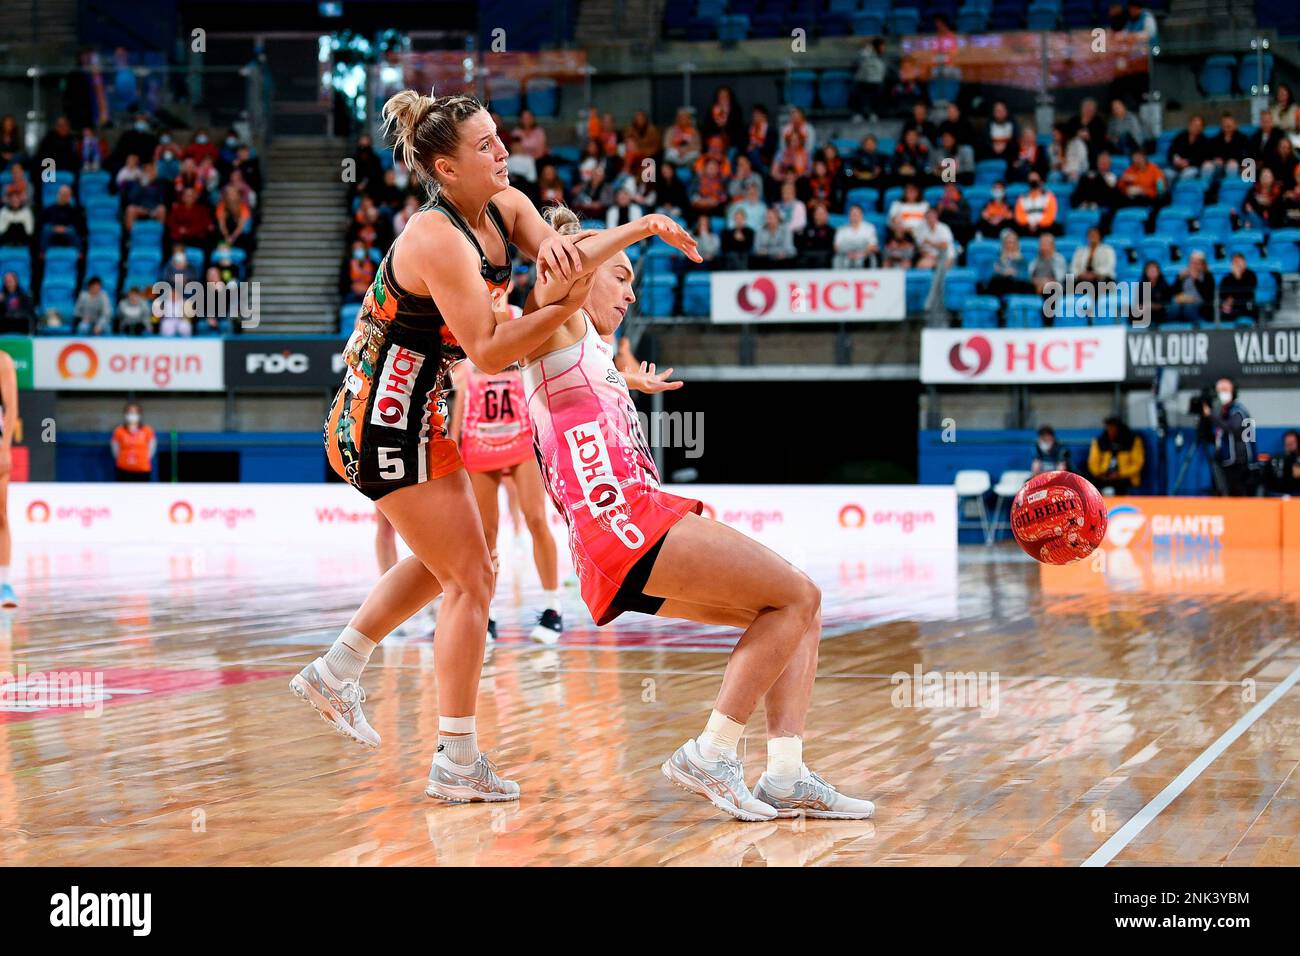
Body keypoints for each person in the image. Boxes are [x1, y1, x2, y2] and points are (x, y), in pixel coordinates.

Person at [301, 91, 699, 806]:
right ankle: (454, 759)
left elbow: (561, 258)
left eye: (499, 138)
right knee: (472, 576)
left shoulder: (507, 206)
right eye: (484, 146)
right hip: (377, 419)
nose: (502, 152)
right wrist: (565, 305)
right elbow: (487, 350)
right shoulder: (435, 237)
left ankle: (337, 670)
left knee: (448, 565)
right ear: (446, 169)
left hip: (417, 419)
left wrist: (639, 227)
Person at [522, 206, 876, 822]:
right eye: (622, 277)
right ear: (586, 268)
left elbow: (582, 388)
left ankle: (787, 774)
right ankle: (711, 753)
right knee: (795, 597)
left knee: (799, 611)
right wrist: (646, 225)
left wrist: (629, 380)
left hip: (614, 538)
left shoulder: (589, 349)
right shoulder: (553, 321)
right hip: (624, 522)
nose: (631, 293)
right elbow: (562, 267)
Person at [449, 353, 563, 644]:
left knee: (536, 518)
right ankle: (486, 615)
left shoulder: (517, 324)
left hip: (521, 439)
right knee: (487, 535)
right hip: (480, 444)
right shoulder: (466, 338)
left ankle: (553, 609)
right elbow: (461, 403)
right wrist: (452, 447)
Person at [1205, 377, 1254, 496]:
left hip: (1239, 463)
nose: (1222, 393)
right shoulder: (1222, 412)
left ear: (1233, 392)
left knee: (1237, 497)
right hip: (1226, 462)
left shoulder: (1238, 411)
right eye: (1220, 390)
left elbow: (1232, 428)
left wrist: (1211, 415)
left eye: (1225, 389)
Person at [1088, 415, 1144, 495]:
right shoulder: (1100, 441)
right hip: (1104, 477)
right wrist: (1100, 473)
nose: (1111, 430)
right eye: (1109, 427)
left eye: (1113, 427)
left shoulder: (1132, 441)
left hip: (1126, 478)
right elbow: (1093, 461)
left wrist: (1120, 474)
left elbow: (1137, 463)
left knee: (1121, 487)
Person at [0, 348, 16, 607]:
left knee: (0, 514)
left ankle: (4, 585)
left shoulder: (2, 361)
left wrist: (5, 447)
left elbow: (11, 407)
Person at [111, 402, 156, 482]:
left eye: (135, 413)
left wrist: (142, 459)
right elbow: (115, 450)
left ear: (139, 415)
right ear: (125, 414)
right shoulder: (118, 431)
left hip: (142, 470)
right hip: (123, 470)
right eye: (130, 412)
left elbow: (152, 449)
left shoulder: (147, 430)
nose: (132, 415)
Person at [1167, 251, 1214, 323]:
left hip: (1200, 303)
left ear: (1202, 265)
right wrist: (1179, 279)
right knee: (1173, 307)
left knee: (1188, 309)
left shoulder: (1207, 276)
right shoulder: (1183, 275)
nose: (1194, 265)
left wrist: (1196, 280)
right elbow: (1173, 291)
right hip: (1183, 301)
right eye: (1192, 263)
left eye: (1197, 263)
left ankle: (1199, 325)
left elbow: (1208, 296)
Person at [985, 228, 1031, 295]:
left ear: (1017, 245)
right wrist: (1003, 272)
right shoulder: (996, 259)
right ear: (1003, 245)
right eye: (1008, 243)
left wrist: (1015, 273)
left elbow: (1026, 277)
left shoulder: (1023, 261)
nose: (1010, 246)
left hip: (1016, 287)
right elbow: (988, 277)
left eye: (1013, 243)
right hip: (1000, 286)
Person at [832, 204, 878, 268]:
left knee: (870, 258)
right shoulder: (841, 230)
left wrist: (862, 254)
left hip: (864, 256)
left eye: (856, 214)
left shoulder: (869, 228)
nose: (854, 216)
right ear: (849, 216)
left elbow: (873, 246)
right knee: (837, 259)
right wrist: (849, 254)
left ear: (862, 215)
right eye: (852, 214)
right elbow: (836, 247)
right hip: (845, 256)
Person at [1218, 253, 1257, 323]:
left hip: (1245, 305)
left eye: (1239, 262)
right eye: (1234, 262)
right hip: (1230, 307)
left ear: (1244, 263)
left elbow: (1247, 291)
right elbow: (1222, 293)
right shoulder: (1227, 278)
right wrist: (1228, 300)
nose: (1237, 265)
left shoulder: (1250, 275)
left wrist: (1237, 276)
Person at [1264, 430, 1300, 496]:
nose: (1289, 445)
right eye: (1287, 443)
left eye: (1292, 443)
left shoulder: (1298, 458)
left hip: (1296, 494)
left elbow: (1297, 474)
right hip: (1276, 494)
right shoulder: (1275, 459)